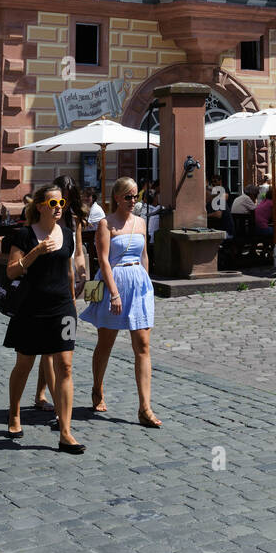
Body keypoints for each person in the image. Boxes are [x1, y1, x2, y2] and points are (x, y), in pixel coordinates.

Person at [4, 183, 84, 452]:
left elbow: (69, 272)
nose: (59, 208)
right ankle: (14, 412)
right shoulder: (25, 235)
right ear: (40, 207)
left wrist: (73, 302)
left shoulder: (68, 235)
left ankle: (65, 432)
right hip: (31, 308)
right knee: (25, 364)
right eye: (53, 204)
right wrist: (36, 252)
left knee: (66, 366)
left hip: (62, 309)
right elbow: (12, 272)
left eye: (61, 203)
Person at [80, 176, 160, 428]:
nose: (133, 201)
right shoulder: (106, 224)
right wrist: (114, 293)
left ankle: (145, 407)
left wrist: (147, 283)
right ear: (117, 197)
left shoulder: (141, 222)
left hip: (138, 284)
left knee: (143, 345)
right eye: (128, 197)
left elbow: (144, 254)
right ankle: (97, 387)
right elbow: (103, 261)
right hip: (114, 283)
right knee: (106, 342)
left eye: (136, 196)